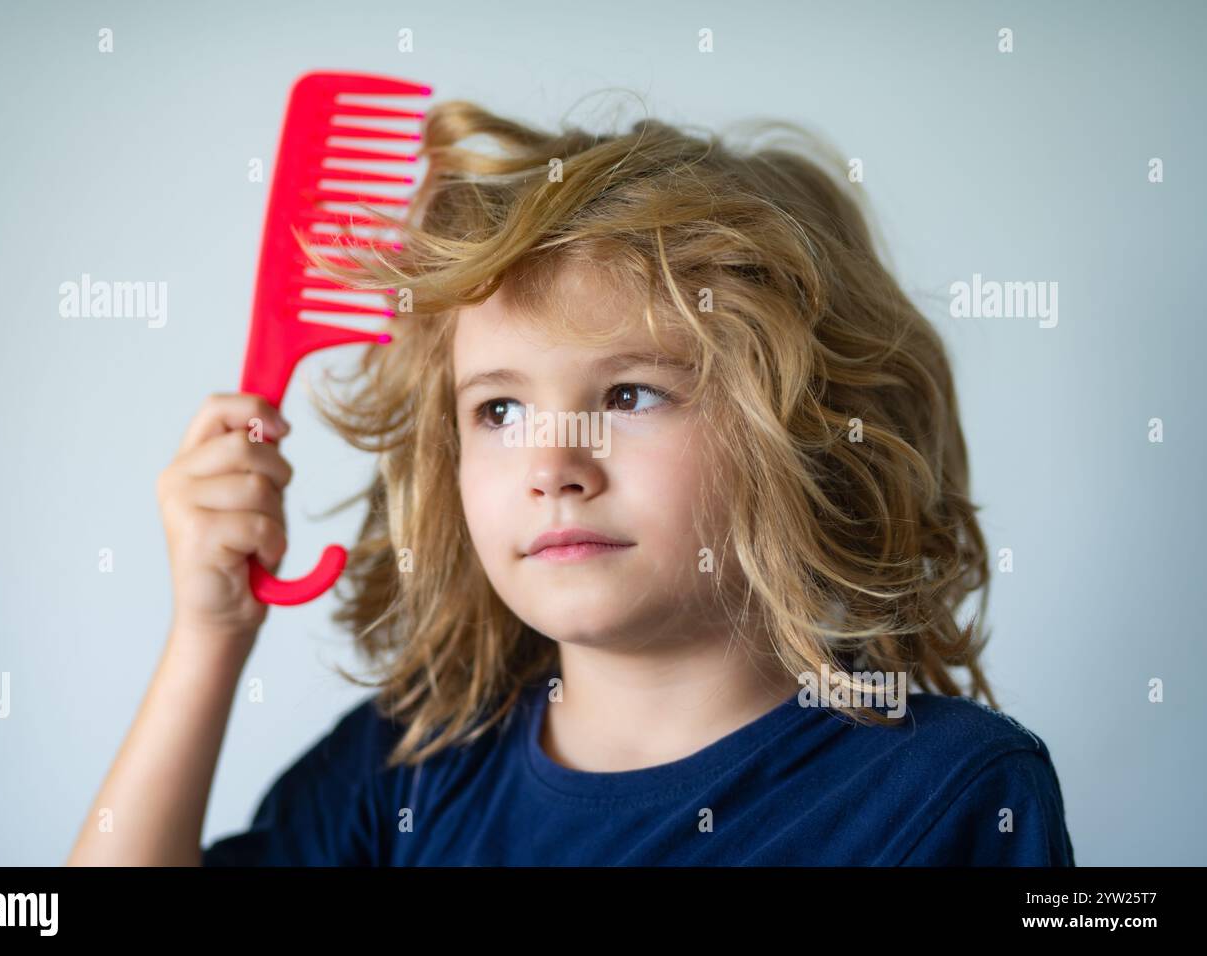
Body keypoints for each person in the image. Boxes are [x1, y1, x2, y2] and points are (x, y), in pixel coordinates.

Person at [66, 99, 1074, 866]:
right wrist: (208, 640)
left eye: (630, 393)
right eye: (498, 411)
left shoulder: (947, 791)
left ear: (803, 430)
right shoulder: (408, 763)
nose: (553, 465)